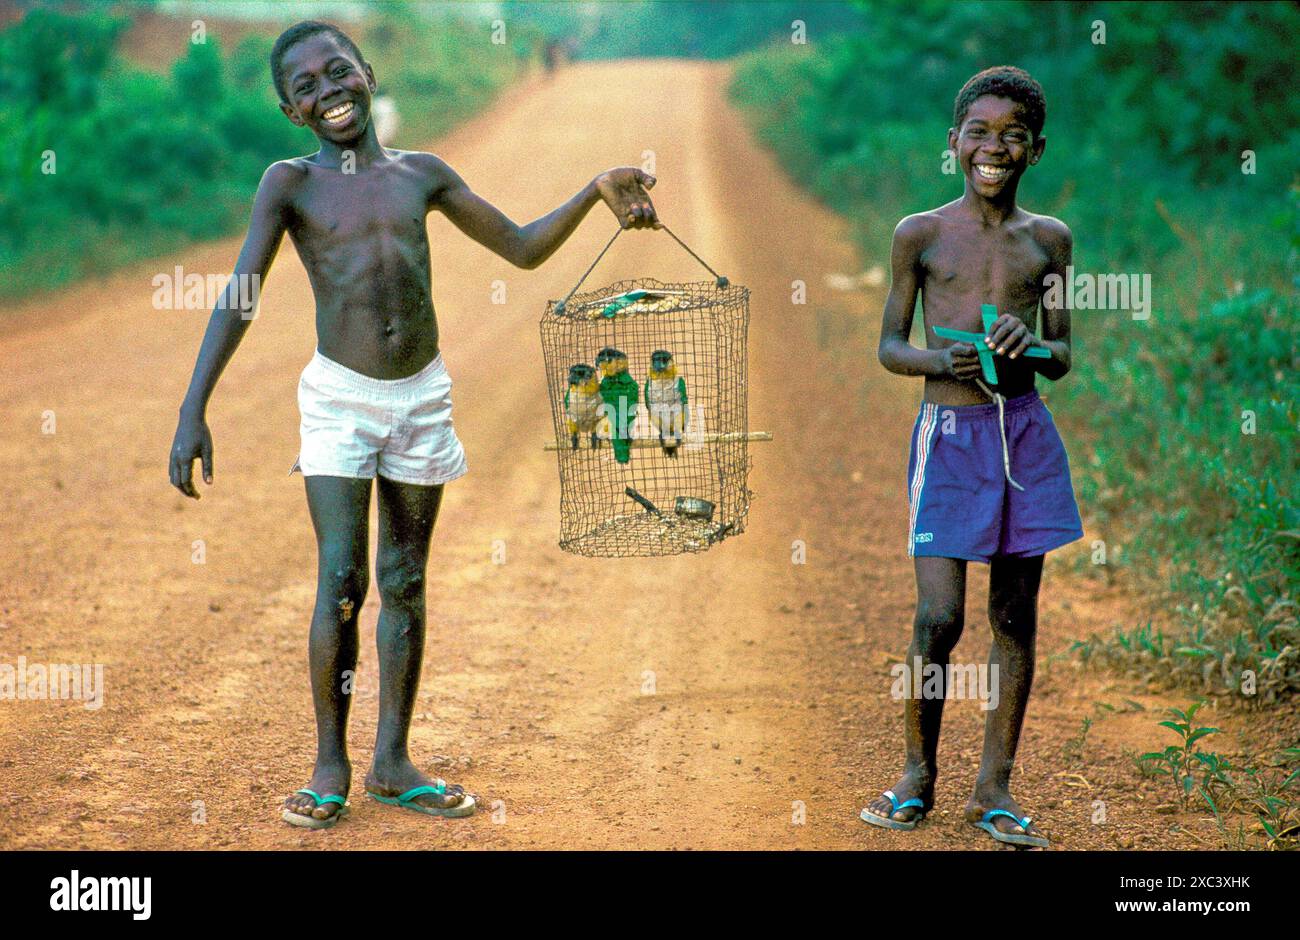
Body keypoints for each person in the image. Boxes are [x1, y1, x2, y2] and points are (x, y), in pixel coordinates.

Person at [168, 20, 659, 828]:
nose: (329, 93)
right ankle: (330, 765)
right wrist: (195, 407)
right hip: (339, 399)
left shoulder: (421, 174)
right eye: (306, 87)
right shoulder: (289, 184)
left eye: (338, 72)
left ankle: (392, 763)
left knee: (404, 581)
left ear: (367, 73)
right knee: (342, 579)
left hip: (421, 397)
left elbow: (523, 248)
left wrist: (594, 191)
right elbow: (241, 295)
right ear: (291, 111)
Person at [862, 66, 1083, 848]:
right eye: (980, 133)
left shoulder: (1049, 241)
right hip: (950, 436)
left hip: (1022, 436)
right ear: (953, 141)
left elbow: (1063, 354)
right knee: (940, 616)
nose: (996, 148)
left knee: (1014, 617)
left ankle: (994, 789)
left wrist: (1033, 346)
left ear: (1036, 150)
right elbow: (890, 345)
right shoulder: (919, 235)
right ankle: (916, 774)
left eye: (1014, 135)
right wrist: (937, 361)